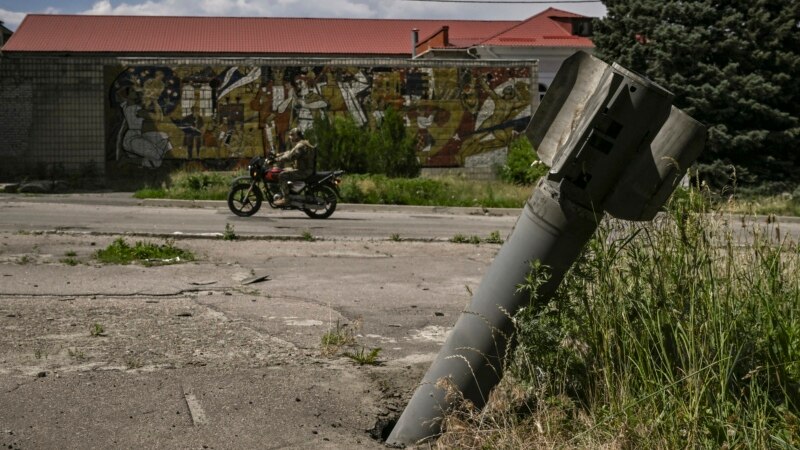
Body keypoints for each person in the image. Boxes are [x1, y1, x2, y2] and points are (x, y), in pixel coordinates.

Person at [274, 128, 316, 206]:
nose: (290, 137)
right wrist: (279, 154)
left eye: (292, 135)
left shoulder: (301, 145)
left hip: (303, 171)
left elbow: (291, 157)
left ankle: (286, 199)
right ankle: (290, 191)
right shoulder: (303, 143)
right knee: (281, 170)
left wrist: (277, 159)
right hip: (304, 169)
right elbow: (290, 152)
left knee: (282, 175)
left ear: (297, 136)